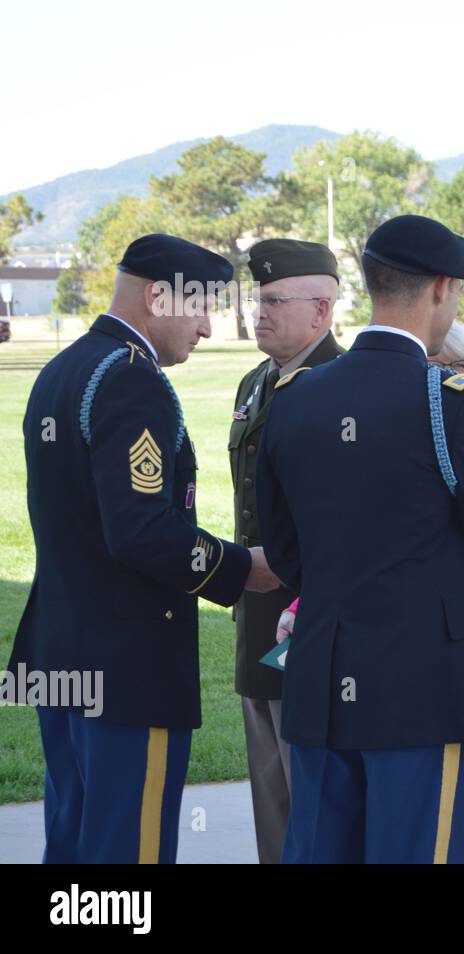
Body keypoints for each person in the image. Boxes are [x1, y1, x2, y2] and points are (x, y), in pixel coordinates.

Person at [255, 215, 464, 864]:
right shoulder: (452, 400)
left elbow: (286, 549)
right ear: (442, 287)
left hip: (322, 677)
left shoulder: (297, 395)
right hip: (420, 687)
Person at [5, 234, 279, 863]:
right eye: (203, 307)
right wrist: (242, 571)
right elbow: (141, 530)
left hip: (63, 652)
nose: (209, 328)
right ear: (159, 296)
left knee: (74, 838)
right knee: (127, 849)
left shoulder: (65, 366)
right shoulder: (133, 380)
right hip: (126, 662)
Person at [228, 238, 346, 864]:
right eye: (257, 299)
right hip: (256, 620)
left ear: (322, 310)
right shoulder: (256, 381)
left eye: (275, 300)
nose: (259, 312)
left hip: (310, 618)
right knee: (269, 791)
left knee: (315, 793)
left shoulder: (341, 384)